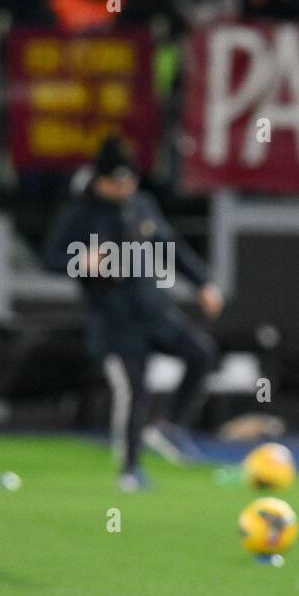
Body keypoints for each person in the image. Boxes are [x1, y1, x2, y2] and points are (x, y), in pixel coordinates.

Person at [43, 135, 222, 491]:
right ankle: (129, 468)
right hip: (113, 322)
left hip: (153, 311)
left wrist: (202, 283)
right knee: (134, 389)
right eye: (116, 181)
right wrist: (81, 262)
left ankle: (167, 427)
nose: (124, 188)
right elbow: (50, 258)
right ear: (100, 179)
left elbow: (172, 247)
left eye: (129, 180)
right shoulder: (79, 213)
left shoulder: (141, 205)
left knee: (200, 354)